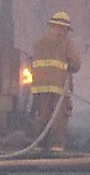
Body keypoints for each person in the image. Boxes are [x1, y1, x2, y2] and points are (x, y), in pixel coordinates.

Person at [29, 11, 82, 153]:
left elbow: (33, 63)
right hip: (59, 87)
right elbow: (76, 64)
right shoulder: (66, 43)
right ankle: (56, 147)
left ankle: (39, 145)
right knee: (59, 116)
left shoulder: (39, 42)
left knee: (43, 116)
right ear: (64, 28)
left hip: (40, 88)